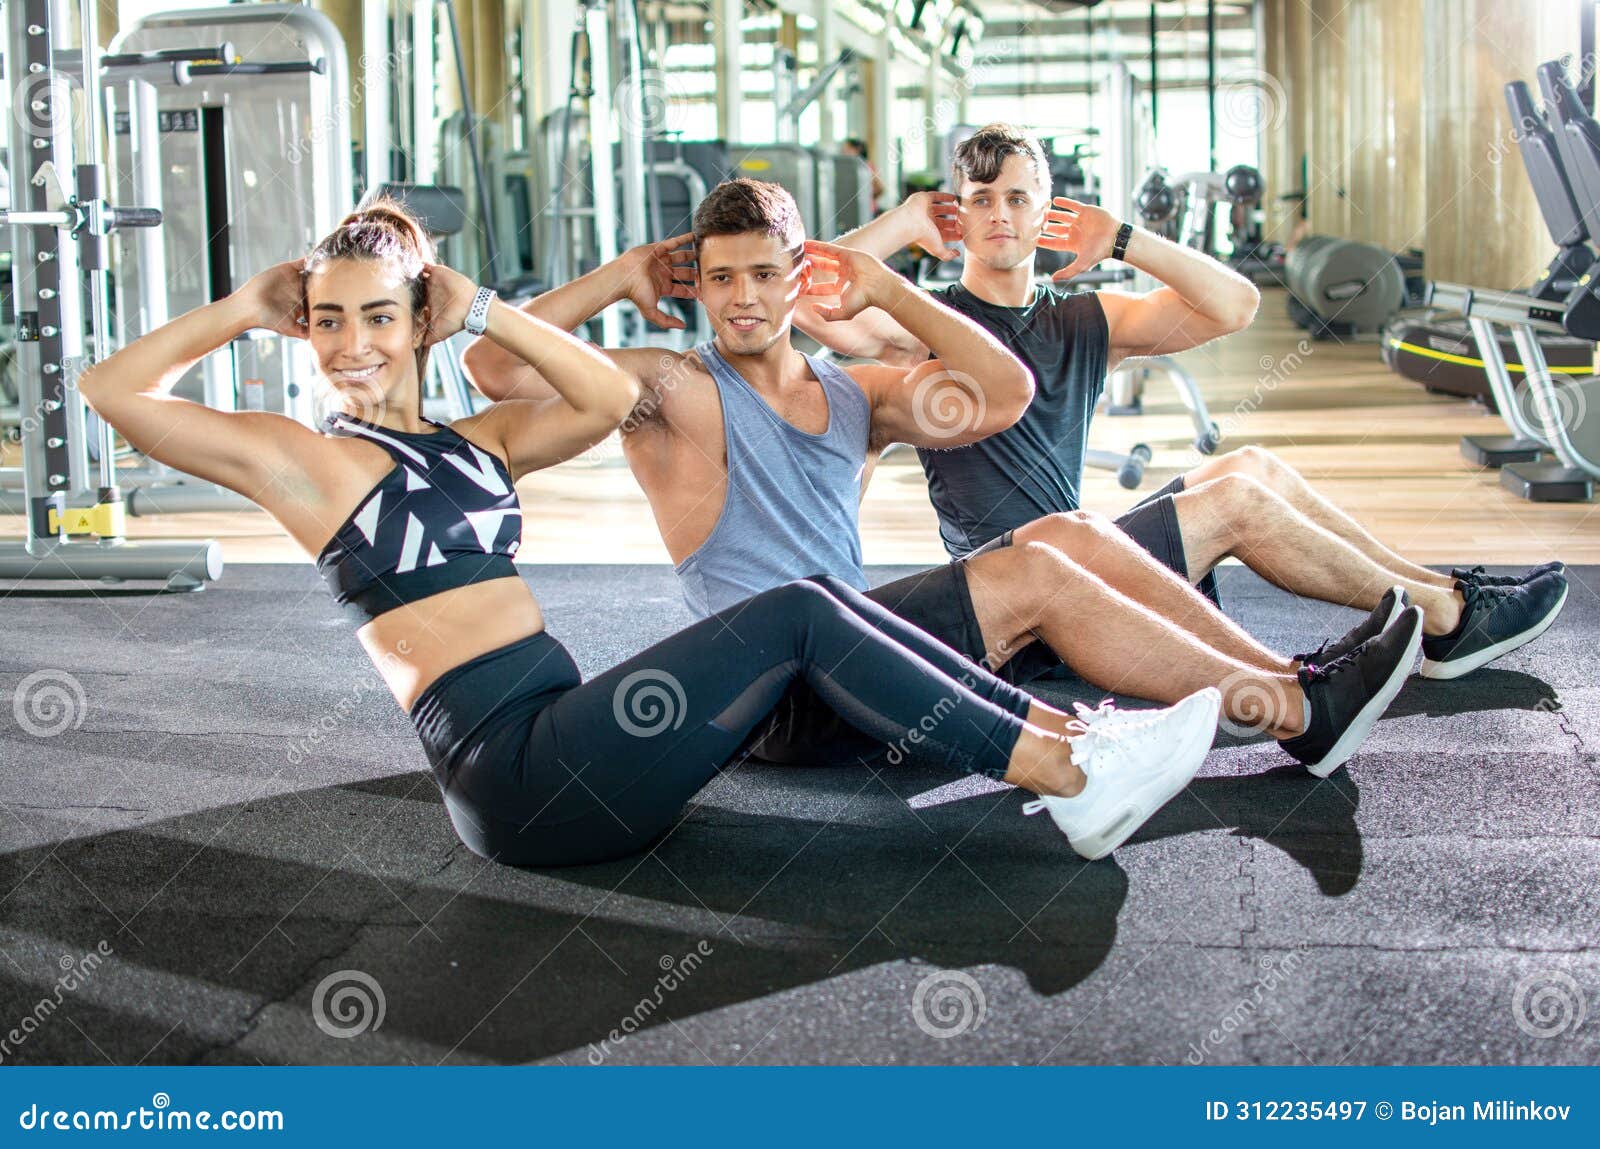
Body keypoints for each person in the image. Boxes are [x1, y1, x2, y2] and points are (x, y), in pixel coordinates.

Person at [75, 196, 1225, 865]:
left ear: (417, 323)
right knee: (796, 611)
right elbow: (114, 393)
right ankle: (1072, 767)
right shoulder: (305, 459)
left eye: (379, 317)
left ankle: (1068, 737)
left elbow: (586, 396)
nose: (351, 346)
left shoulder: (474, 444)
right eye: (328, 324)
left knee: (812, 607)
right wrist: (245, 306)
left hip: (571, 731)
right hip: (512, 774)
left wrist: (481, 306)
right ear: (305, 332)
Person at [463, 178, 1426, 780]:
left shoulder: (856, 392)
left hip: (863, 664)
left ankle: (1284, 685)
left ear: (803, 280)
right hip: (774, 700)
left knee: (1068, 536)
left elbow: (1004, 391)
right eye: (722, 279)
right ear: (700, 286)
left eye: (765, 275)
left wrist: (889, 289)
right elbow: (496, 372)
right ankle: (1301, 711)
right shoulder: (662, 385)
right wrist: (623, 271)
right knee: (1043, 570)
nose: (744, 299)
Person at [790, 123, 1569, 683]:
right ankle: (1445, 619)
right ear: (959, 216)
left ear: (1047, 212)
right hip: (1019, 601)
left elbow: (1234, 307)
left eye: (1018, 198)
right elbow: (811, 305)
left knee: (1251, 466)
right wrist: (903, 221)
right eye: (981, 199)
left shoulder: (1085, 316)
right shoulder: (923, 325)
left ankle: (1448, 597)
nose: (999, 214)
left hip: (1089, 560)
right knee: (1232, 501)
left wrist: (1125, 238)